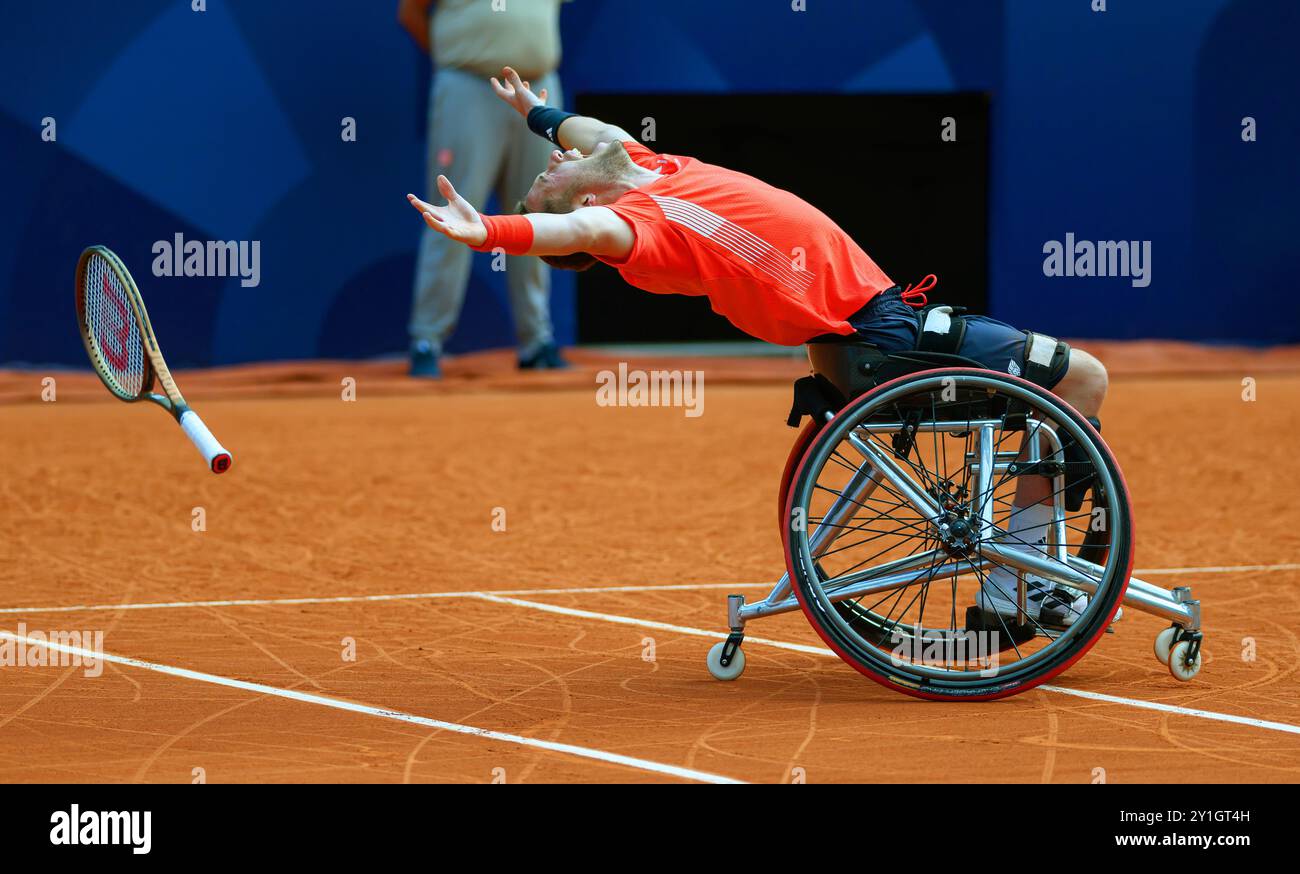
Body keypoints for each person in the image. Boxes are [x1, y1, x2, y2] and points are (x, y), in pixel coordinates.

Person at [405, 67, 1112, 627]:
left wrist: (538, 113)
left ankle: (1020, 574)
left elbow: (596, 132)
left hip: (877, 325)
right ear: (588, 202)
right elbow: (576, 238)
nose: (546, 167)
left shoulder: (651, 167)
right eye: (545, 181)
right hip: (880, 338)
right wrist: (493, 232)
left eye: (544, 169)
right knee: (1083, 380)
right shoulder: (637, 228)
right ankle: (1031, 575)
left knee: (1063, 394)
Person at [397, 1, 568, 377]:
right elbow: (410, 13)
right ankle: (428, 340)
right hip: (468, 86)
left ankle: (536, 341)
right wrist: (455, 60)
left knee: (541, 218)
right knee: (449, 213)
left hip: (540, 88)